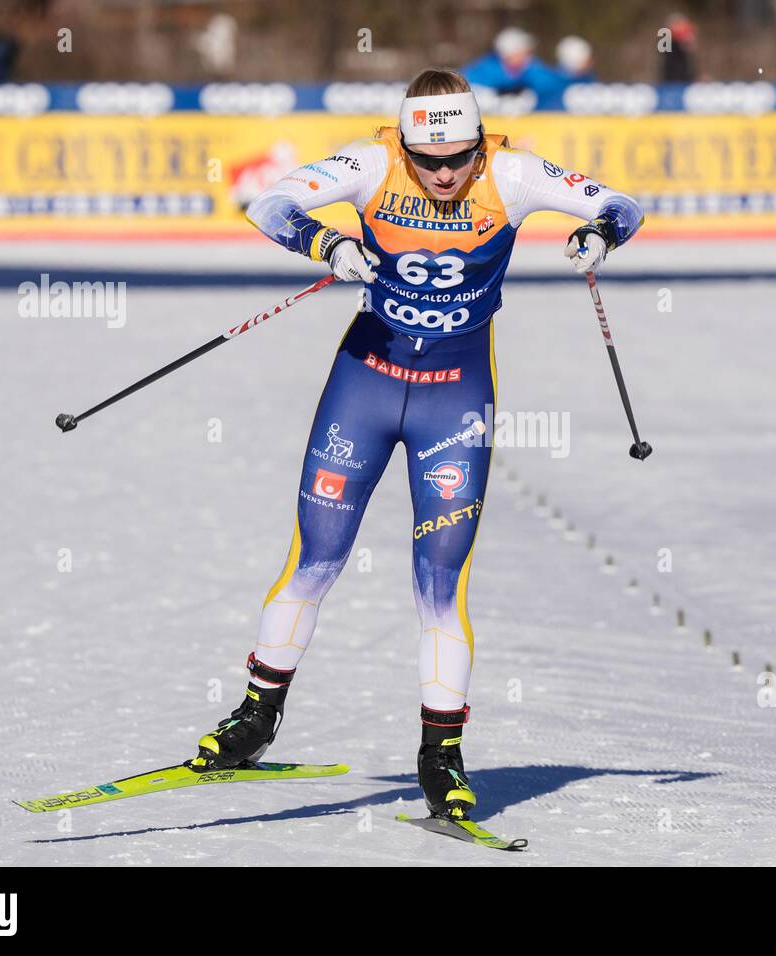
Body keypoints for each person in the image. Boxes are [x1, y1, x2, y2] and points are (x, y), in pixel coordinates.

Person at [192, 68, 644, 823]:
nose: (442, 174)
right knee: (316, 559)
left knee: (440, 581)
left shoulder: (514, 174)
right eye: (426, 159)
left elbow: (621, 203)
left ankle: (442, 755)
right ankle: (257, 717)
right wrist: (325, 242)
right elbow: (266, 204)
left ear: (479, 144)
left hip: (454, 401)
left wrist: (599, 233)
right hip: (363, 386)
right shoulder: (371, 164)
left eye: (456, 158)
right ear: (403, 144)